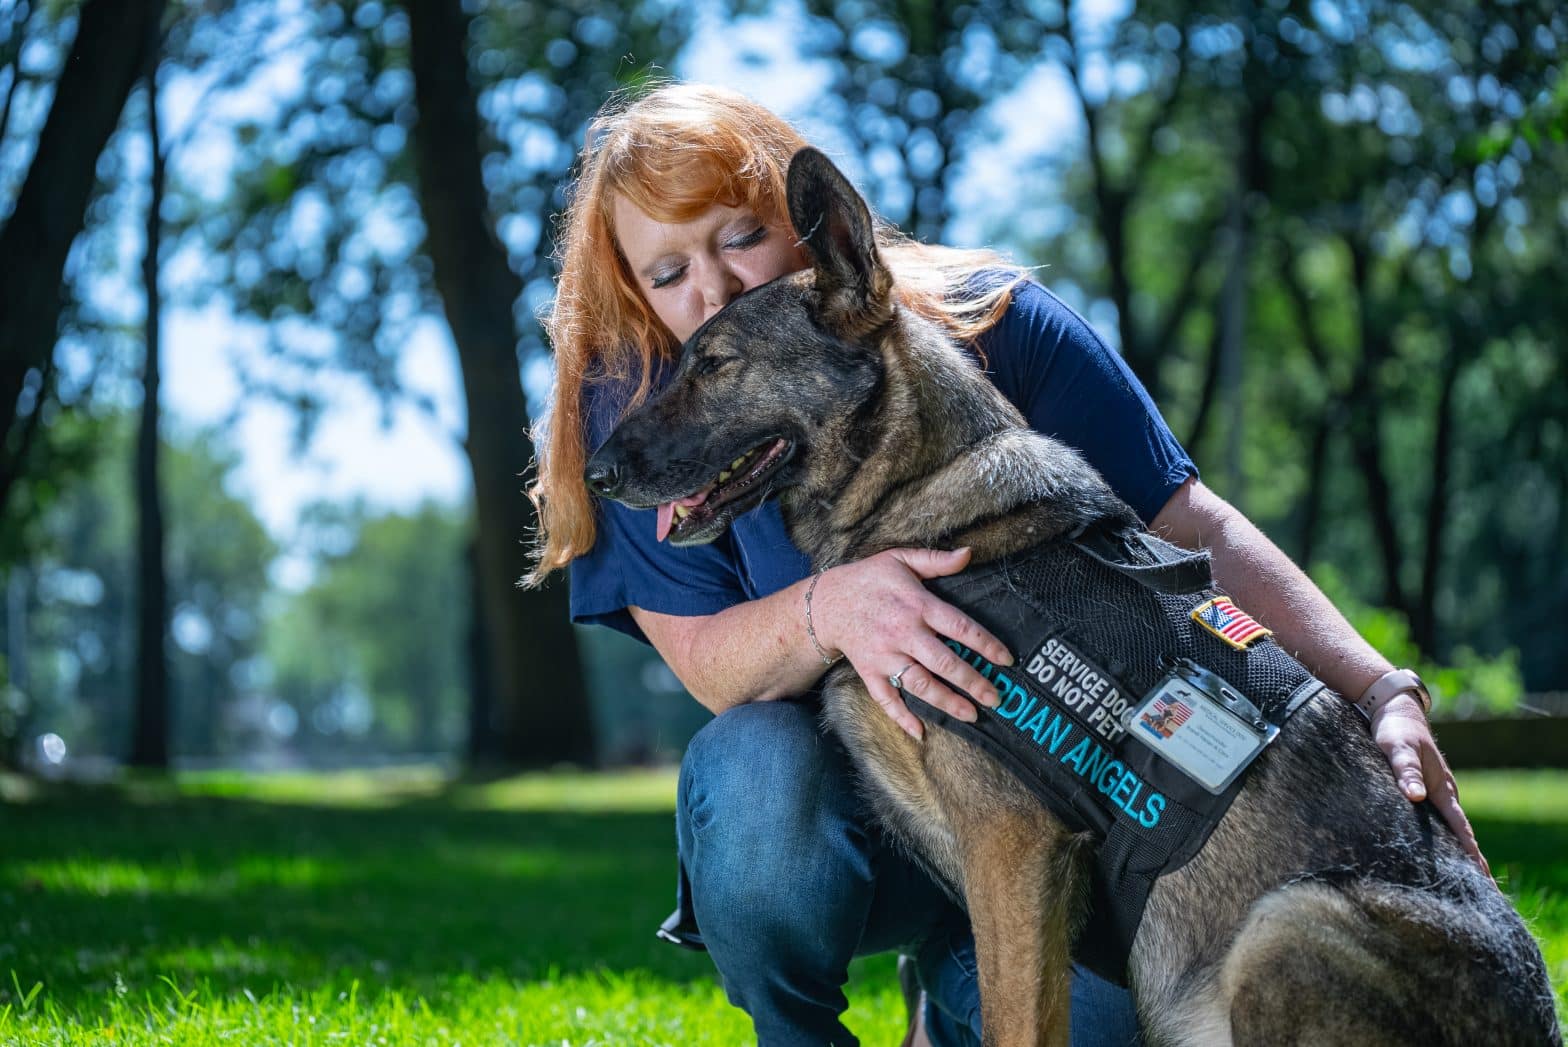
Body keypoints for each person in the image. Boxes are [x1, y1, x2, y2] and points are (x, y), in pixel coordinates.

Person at [528, 81, 1485, 1047]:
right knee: (750, 768)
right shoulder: (646, 420)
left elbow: (1192, 524)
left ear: (810, 224)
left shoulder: (996, 324)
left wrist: (1382, 688)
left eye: (737, 236)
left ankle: (954, 1006)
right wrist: (834, 607)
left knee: (1122, 1011)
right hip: (862, 823)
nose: (713, 290)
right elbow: (705, 662)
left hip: (1089, 833)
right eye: (666, 271)